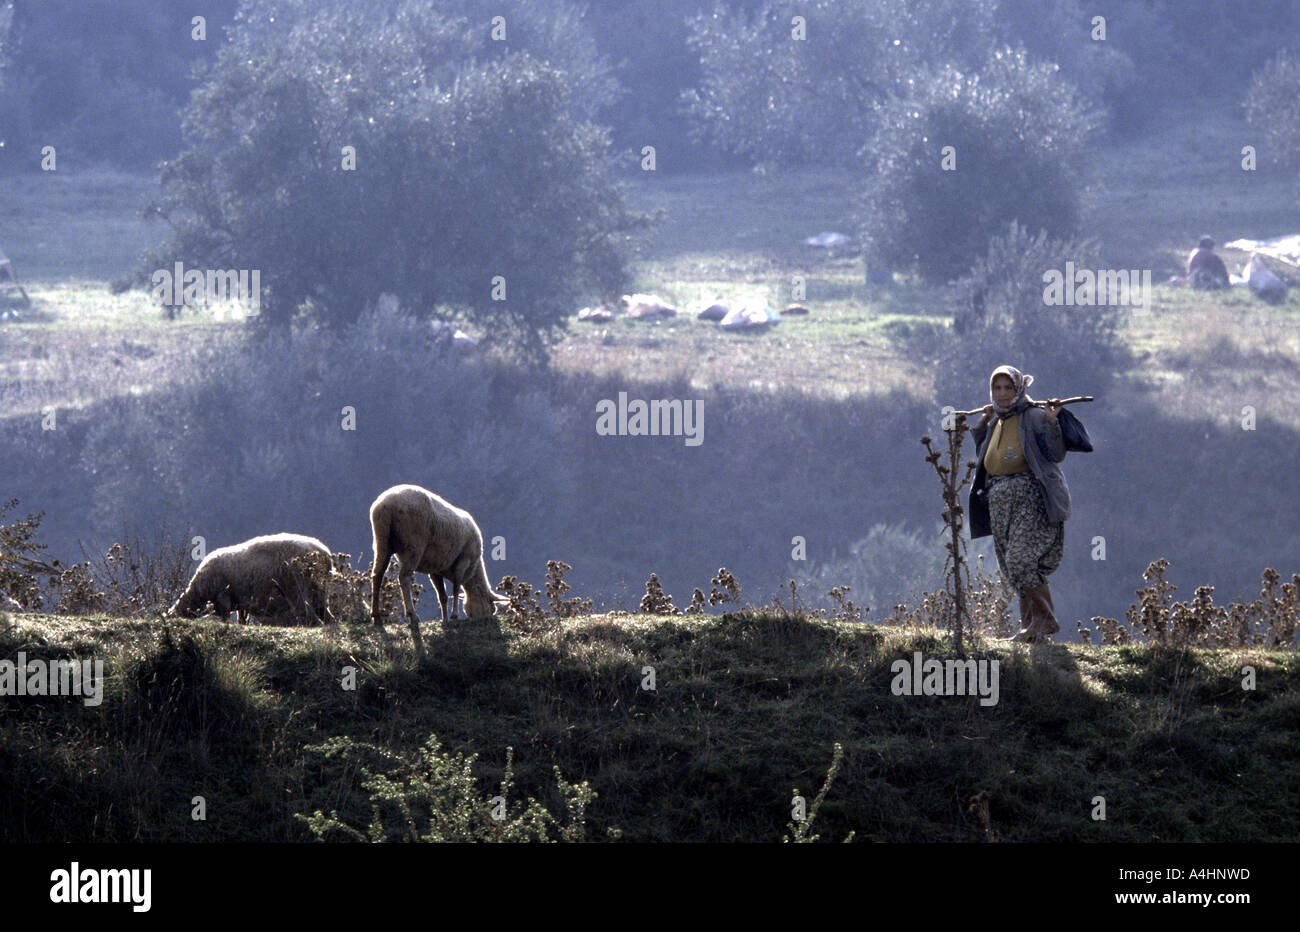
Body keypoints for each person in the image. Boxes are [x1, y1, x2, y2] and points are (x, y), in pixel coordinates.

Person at [968, 366, 1069, 642]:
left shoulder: (1034, 416)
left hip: (1030, 499)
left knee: (1021, 559)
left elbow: (1055, 454)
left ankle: (1045, 620)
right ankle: (1031, 630)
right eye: (997, 388)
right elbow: (986, 457)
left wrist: (1051, 423)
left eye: (1008, 388)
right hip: (1000, 502)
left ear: (1019, 389)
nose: (1002, 394)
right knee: (1011, 567)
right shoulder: (996, 421)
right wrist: (982, 425)